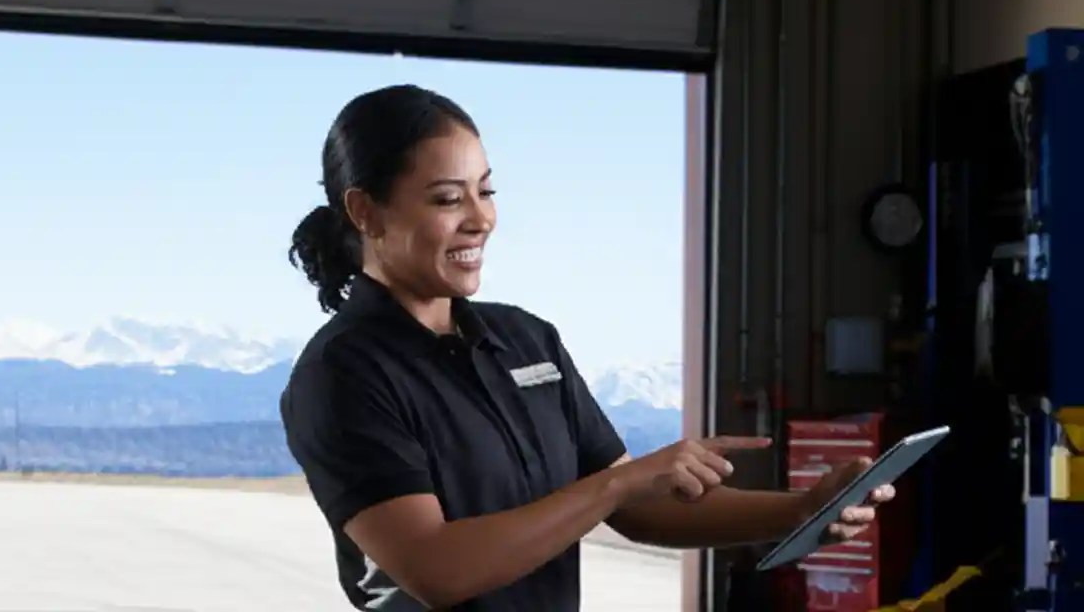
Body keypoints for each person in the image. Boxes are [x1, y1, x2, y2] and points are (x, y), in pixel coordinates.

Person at [279, 85, 894, 611]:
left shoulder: (526, 339)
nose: (481, 219)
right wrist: (616, 486)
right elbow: (438, 569)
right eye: (447, 198)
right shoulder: (341, 375)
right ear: (365, 212)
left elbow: (640, 509)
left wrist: (804, 510)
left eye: (486, 192)